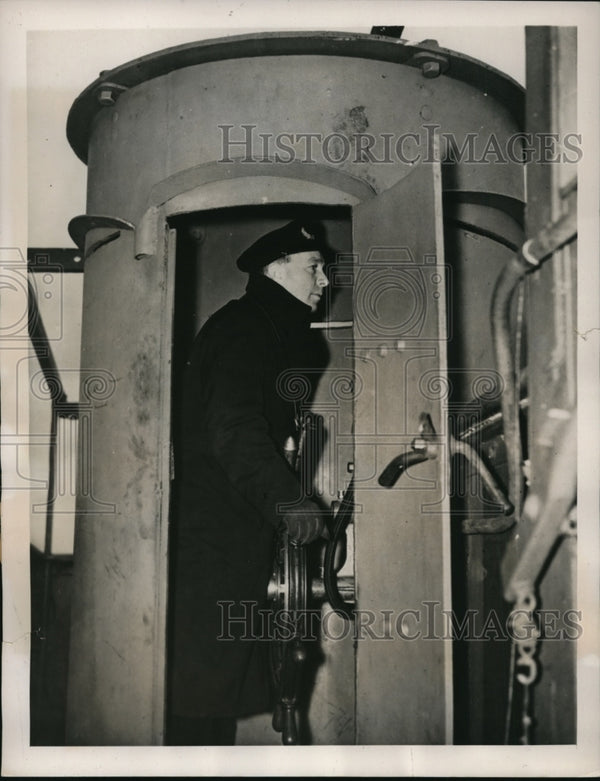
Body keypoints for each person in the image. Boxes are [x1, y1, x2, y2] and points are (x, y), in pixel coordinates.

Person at [168, 219, 330, 746]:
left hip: (226, 538)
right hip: (207, 541)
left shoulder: (269, 328)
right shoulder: (245, 329)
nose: (325, 281)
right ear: (275, 268)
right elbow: (234, 428)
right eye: (314, 267)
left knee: (209, 694)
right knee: (197, 698)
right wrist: (288, 501)